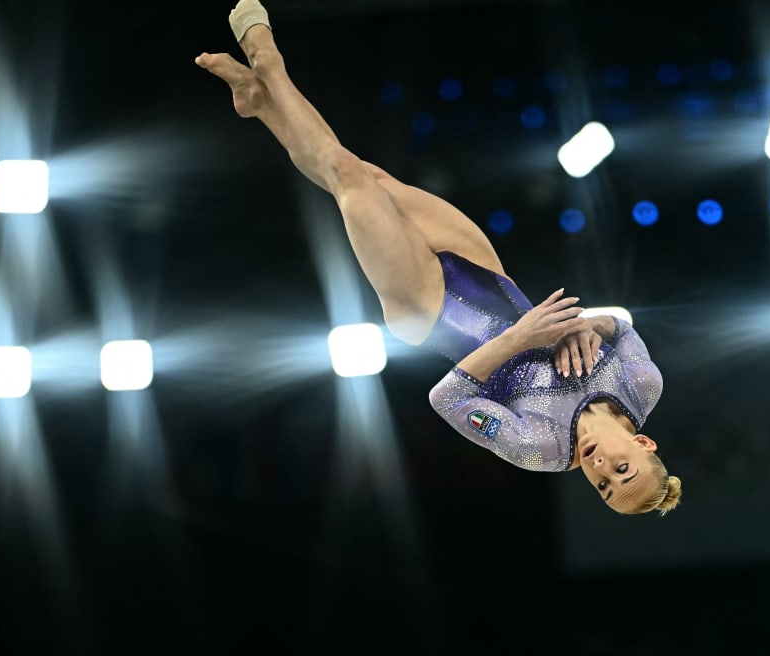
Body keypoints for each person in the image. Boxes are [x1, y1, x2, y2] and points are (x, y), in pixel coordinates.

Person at [196, 0, 682, 515]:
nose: (602, 470)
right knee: (364, 173)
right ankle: (260, 101)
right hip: (489, 277)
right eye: (621, 469)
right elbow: (622, 329)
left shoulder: (538, 451)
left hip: (426, 313)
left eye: (604, 488)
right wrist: (592, 328)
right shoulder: (642, 387)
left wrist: (522, 338)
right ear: (644, 445)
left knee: (348, 178)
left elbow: (447, 400)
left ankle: (268, 64)